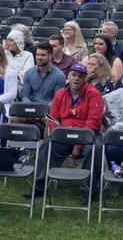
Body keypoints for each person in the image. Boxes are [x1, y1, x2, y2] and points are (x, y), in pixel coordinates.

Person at [31, 61, 103, 199]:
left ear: (85, 78)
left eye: (80, 76)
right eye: (73, 75)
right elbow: (53, 119)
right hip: (64, 134)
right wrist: (56, 133)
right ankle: (39, 186)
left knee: (95, 149)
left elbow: (93, 123)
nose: (76, 79)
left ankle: (89, 190)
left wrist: (78, 145)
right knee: (46, 145)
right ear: (68, 76)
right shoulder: (60, 94)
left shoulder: (94, 94)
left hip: (87, 135)